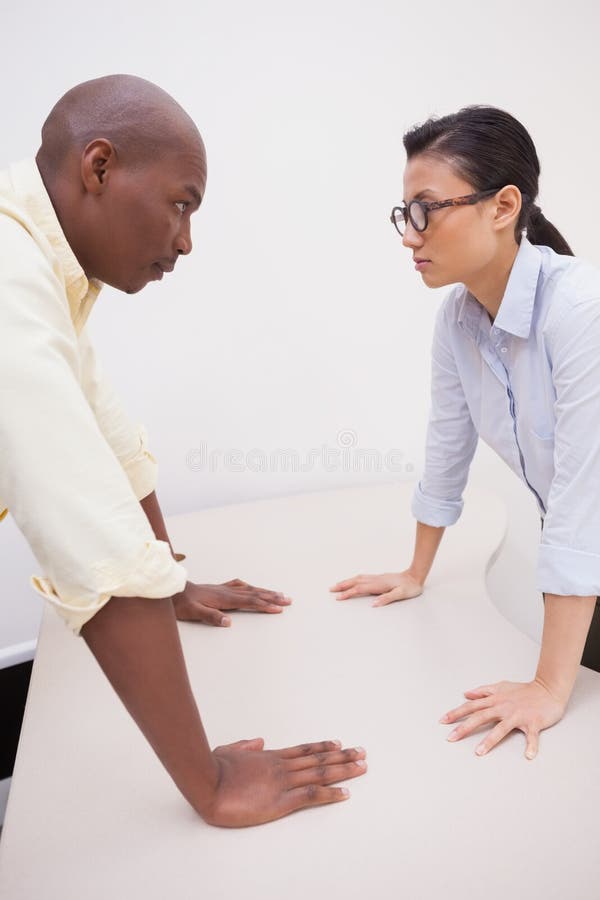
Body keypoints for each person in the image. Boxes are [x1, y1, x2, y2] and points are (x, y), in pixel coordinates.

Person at [0, 74, 366, 826]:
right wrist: (211, 782)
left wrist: (170, 583)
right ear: (99, 167)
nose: (187, 240)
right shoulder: (8, 276)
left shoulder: (40, 267)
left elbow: (108, 435)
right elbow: (90, 530)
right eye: (182, 203)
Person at [331, 105, 600, 761]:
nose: (408, 233)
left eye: (426, 209)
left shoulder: (581, 309)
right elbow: (446, 447)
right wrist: (415, 570)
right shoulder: (458, 321)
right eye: (404, 212)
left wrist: (546, 683)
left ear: (503, 206)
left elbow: (580, 498)